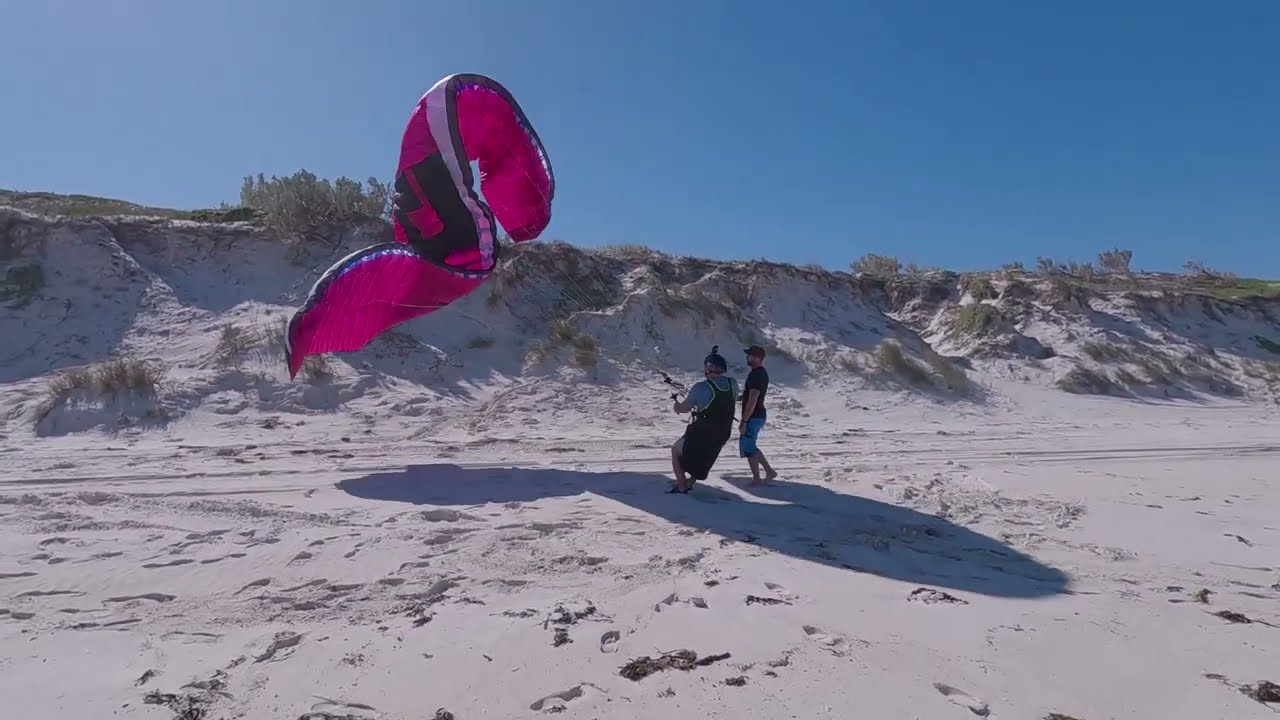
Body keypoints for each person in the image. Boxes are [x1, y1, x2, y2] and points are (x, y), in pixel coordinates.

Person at [669, 346, 739, 493]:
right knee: (704, 459)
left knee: (676, 450)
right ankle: (689, 482)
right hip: (723, 431)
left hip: (703, 432)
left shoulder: (701, 387)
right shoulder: (733, 384)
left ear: (708, 369)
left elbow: (683, 409)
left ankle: (681, 485)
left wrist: (676, 404)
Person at [739, 345, 778, 484]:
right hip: (756, 415)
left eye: (749, 355)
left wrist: (743, 421)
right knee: (750, 446)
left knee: (749, 448)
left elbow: (753, 399)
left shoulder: (757, 374)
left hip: (754, 416)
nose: (747, 357)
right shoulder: (757, 373)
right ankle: (766, 473)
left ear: (757, 358)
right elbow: (750, 395)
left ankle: (760, 476)